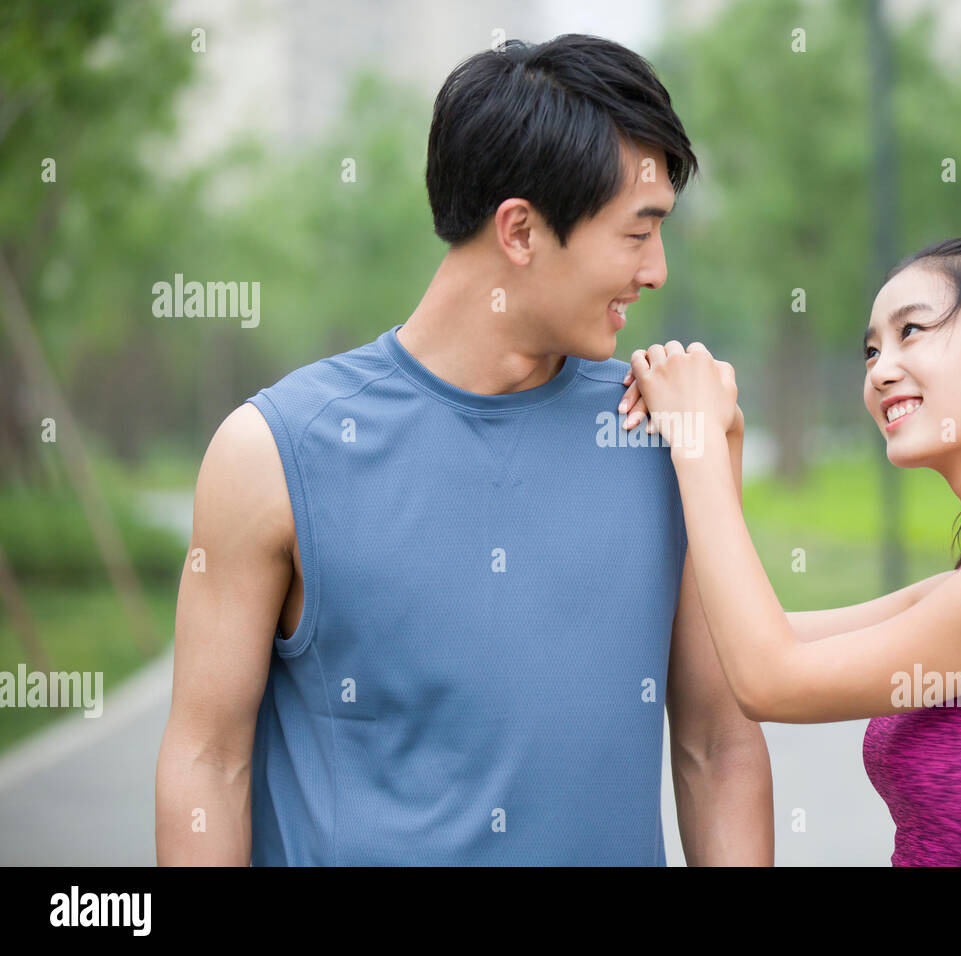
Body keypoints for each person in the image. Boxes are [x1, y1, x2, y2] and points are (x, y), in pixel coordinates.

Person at [156, 34, 774, 866]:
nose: (657, 270)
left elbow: (717, 748)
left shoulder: (670, 436)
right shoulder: (273, 452)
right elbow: (207, 760)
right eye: (638, 233)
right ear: (519, 230)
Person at [620, 237, 961, 865]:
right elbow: (739, 646)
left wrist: (699, 449)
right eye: (872, 349)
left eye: (912, 331)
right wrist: (726, 438)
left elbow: (771, 681)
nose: (880, 369)